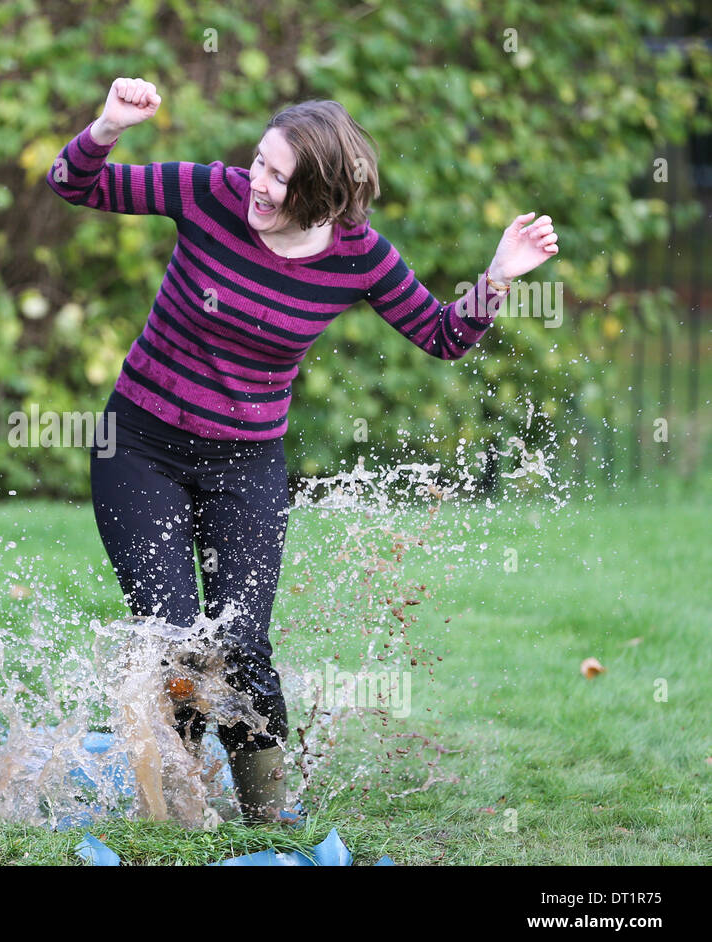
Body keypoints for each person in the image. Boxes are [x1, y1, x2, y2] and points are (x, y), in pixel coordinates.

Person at [49, 78, 557, 824]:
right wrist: (109, 125)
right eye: (258, 162)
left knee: (244, 644)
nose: (256, 182)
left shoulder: (357, 256)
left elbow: (443, 336)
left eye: (277, 176)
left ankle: (266, 814)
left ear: (319, 192)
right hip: (140, 447)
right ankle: (184, 808)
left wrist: (498, 277)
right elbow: (73, 184)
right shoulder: (208, 194)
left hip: (246, 462)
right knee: (176, 639)